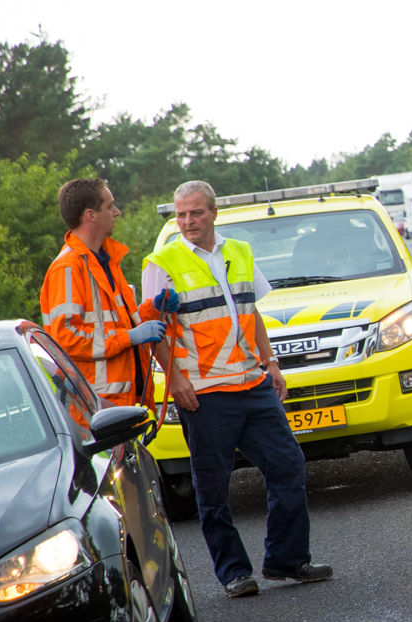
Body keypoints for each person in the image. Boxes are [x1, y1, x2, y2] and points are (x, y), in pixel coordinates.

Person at [140, 179, 332, 598]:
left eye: (195, 213)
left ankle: (288, 559)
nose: (187, 221)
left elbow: (252, 314)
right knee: (213, 490)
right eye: (181, 214)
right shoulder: (162, 262)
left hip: (253, 383)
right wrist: (174, 381)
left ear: (213, 213)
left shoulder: (239, 252)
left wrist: (272, 362)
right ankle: (233, 573)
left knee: (289, 466)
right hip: (205, 394)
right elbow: (154, 331)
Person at [40, 178, 167, 410]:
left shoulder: (105, 261)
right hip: (95, 411)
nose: (117, 212)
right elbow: (67, 337)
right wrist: (130, 337)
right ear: (91, 215)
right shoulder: (68, 268)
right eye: (110, 206)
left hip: (118, 405)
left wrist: (153, 309)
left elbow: (120, 324)